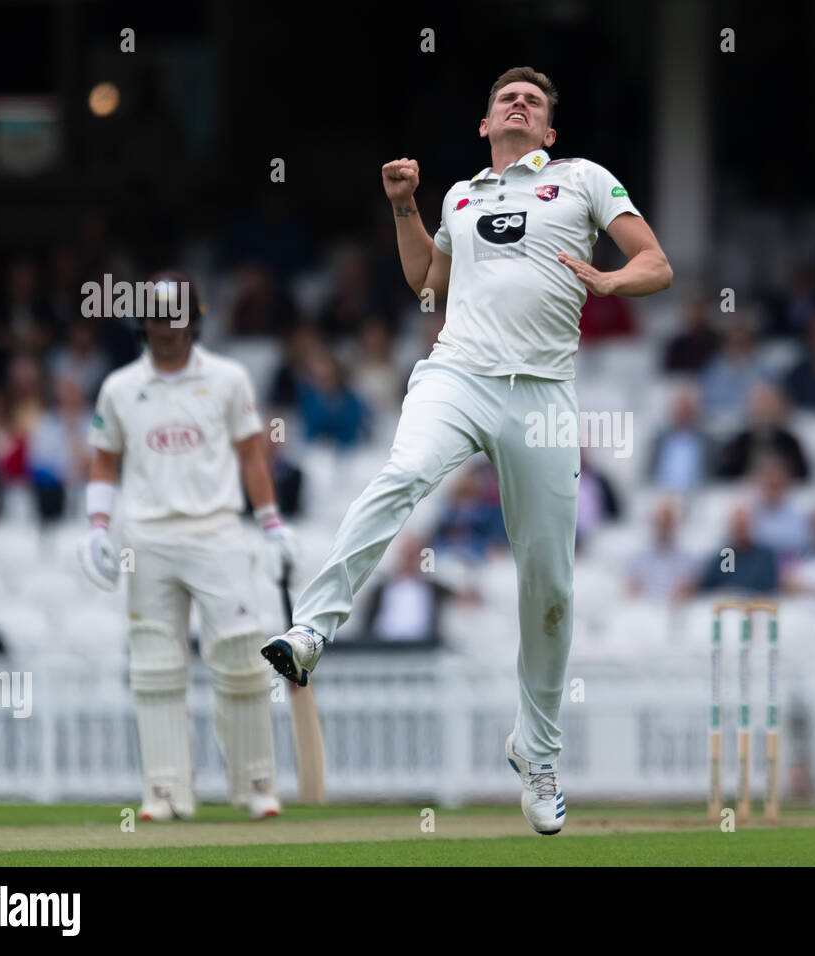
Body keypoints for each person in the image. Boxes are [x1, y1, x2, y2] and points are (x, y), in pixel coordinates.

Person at [263, 66, 672, 836]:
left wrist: (611, 283)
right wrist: (403, 206)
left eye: (534, 102)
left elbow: (657, 263)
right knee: (403, 471)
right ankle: (313, 629)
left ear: (549, 132)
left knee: (548, 584)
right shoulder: (457, 195)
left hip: (543, 393)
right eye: (504, 99)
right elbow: (425, 280)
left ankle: (538, 753)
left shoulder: (584, 179)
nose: (518, 105)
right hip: (457, 373)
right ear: (486, 124)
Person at [81, 272, 296, 823]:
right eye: (157, 315)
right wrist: (98, 526)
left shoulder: (227, 380)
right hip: (149, 538)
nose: (167, 327)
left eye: (176, 316)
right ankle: (165, 791)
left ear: (193, 320)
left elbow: (252, 455)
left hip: (217, 532)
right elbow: (104, 461)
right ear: (142, 320)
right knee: (154, 665)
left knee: (242, 660)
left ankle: (255, 786)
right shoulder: (120, 388)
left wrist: (270, 524)